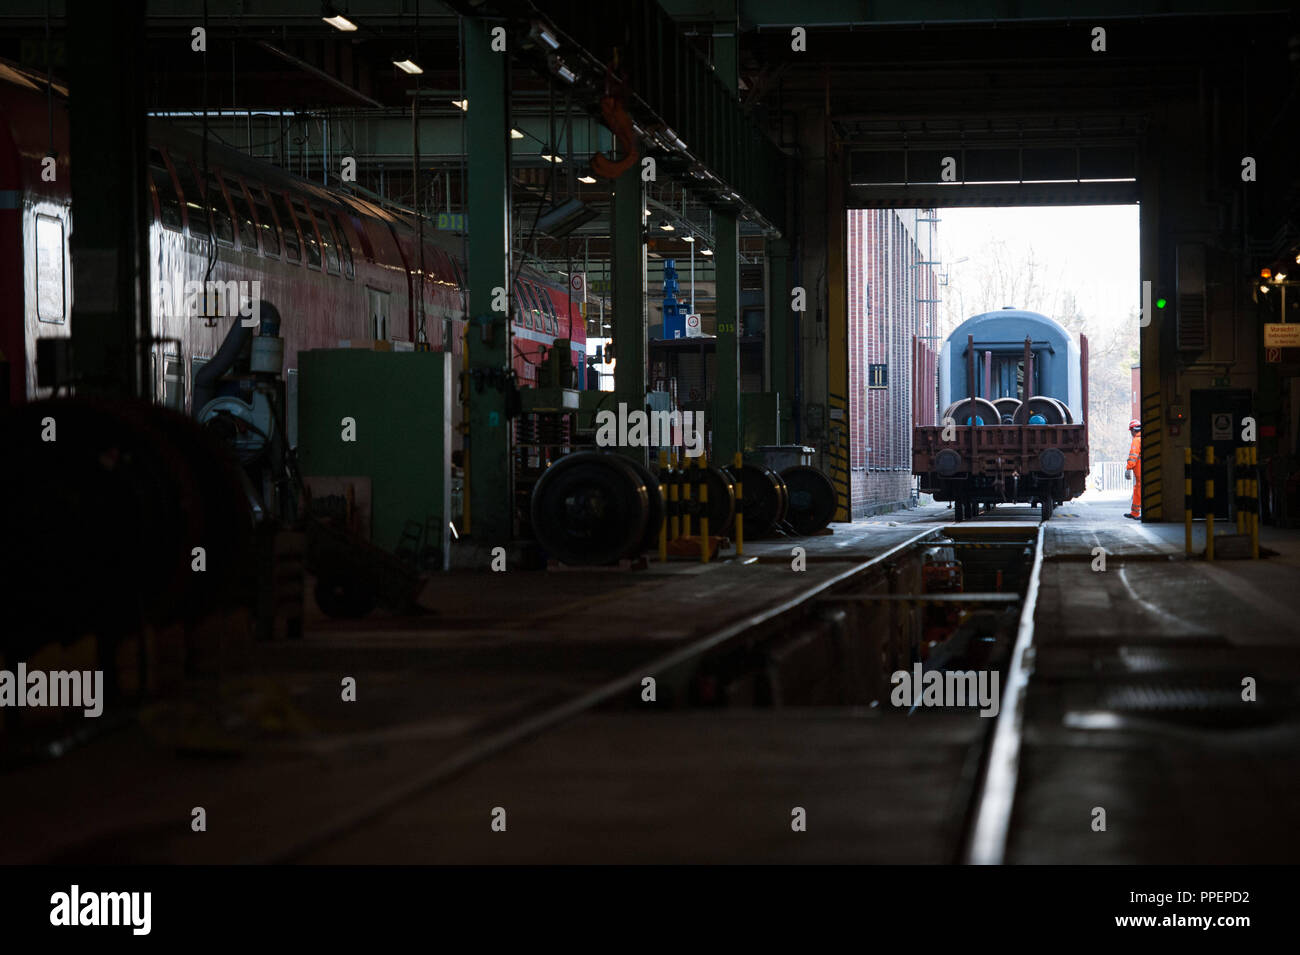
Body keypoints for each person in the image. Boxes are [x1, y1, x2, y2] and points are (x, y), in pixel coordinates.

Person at [1124, 419, 1141, 519]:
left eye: (1131, 431)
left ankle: (1138, 513)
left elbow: (1133, 456)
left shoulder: (1136, 440)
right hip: (1140, 471)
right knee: (1137, 490)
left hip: (1139, 471)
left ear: (1133, 430)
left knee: (1139, 491)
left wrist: (1128, 468)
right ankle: (1134, 513)